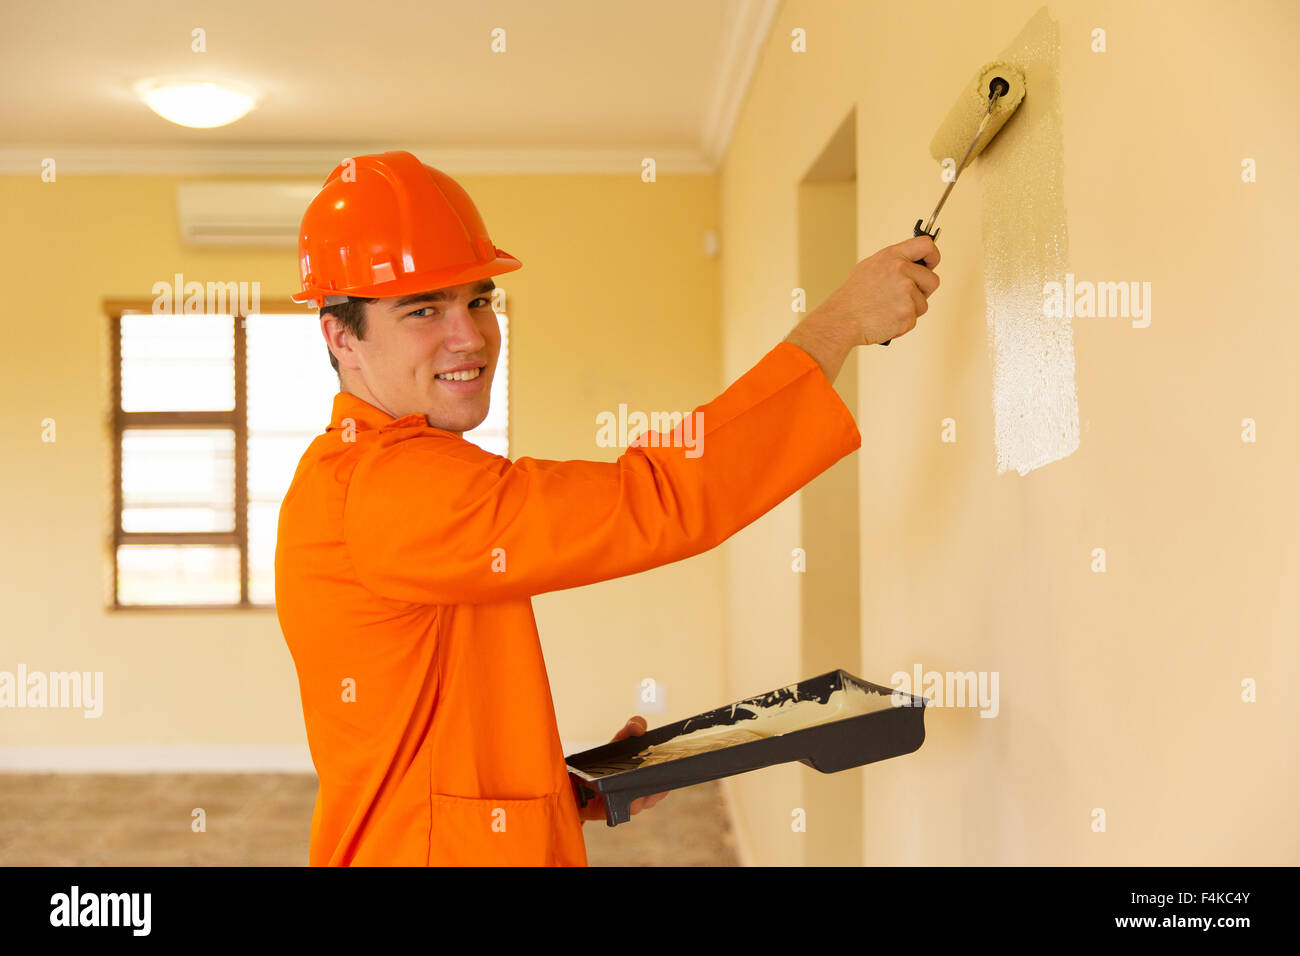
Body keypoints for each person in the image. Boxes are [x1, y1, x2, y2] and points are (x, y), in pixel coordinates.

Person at [275, 150, 939, 866]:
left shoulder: (349, 468)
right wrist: (836, 326)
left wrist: (565, 789)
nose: (469, 336)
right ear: (341, 336)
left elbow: (418, 731)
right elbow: (653, 499)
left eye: (478, 300)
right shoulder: (394, 485)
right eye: (422, 310)